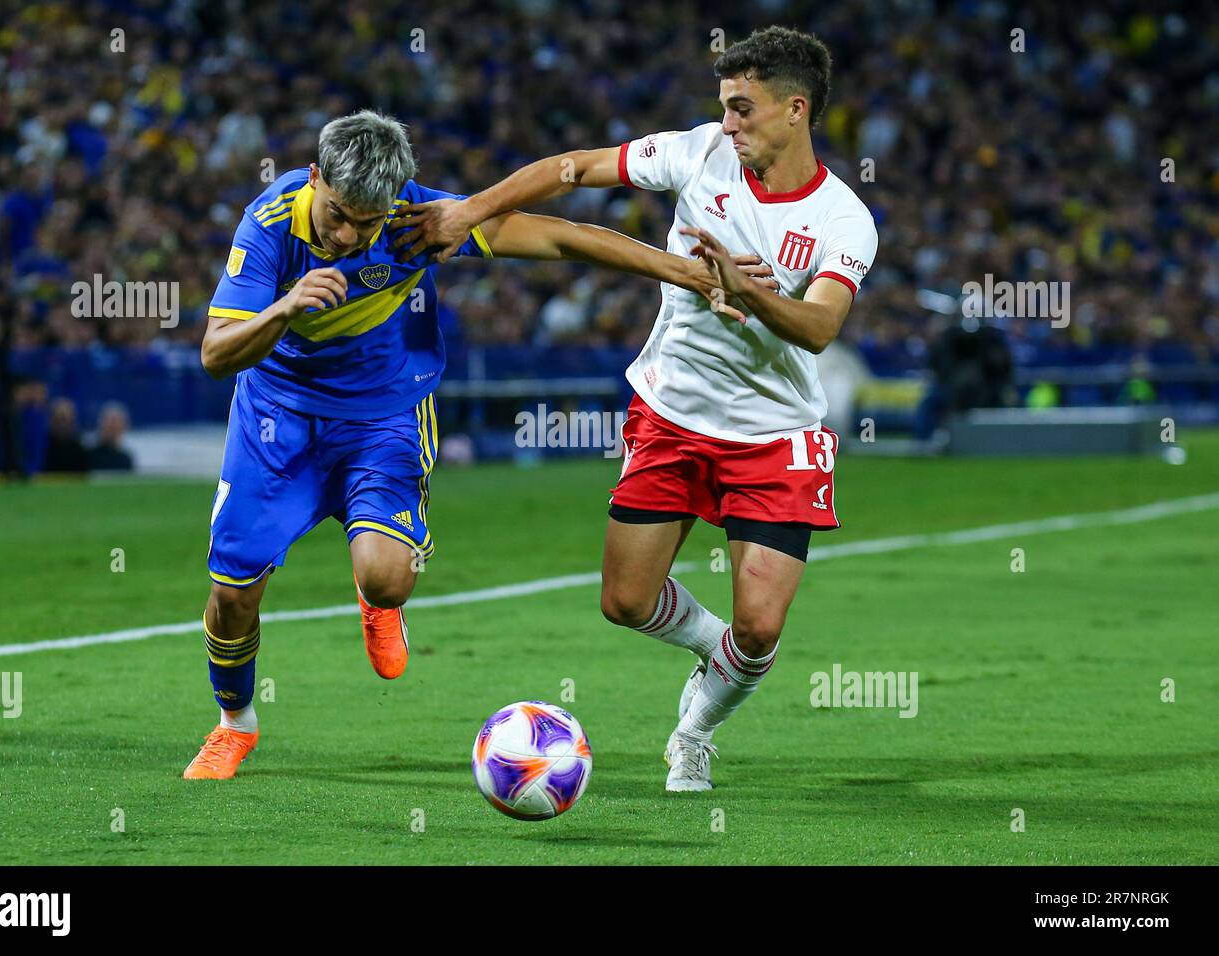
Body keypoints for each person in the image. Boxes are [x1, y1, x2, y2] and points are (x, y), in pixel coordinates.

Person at [184, 110, 772, 780]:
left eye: (366, 223)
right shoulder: (267, 226)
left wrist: (685, 272)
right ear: (315, 177)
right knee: (233, 592)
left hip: (383, 418)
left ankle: (380, 601)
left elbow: (561, 239)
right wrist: (283, 308)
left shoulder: (418, 223)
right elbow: (215, 355)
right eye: (339, 215)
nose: (348, 237)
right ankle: (235, 725)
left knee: (387, 573)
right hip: (278, 423)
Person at [390, 27, 878, 791]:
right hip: (671, 413)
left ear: (796, 109)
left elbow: (818, 328)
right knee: (625, 601)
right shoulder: (696, 154)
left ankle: (694, 732)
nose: (728, 125)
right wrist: (470, 210)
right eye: (723, 107)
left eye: (743, 109)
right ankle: (718, 652)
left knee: (762, 624)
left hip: (775, 435)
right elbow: (571, 169)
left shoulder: (844, 221)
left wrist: (744, 288)